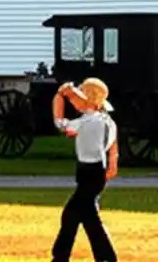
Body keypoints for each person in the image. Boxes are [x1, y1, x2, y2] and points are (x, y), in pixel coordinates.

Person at [51, 77, 118, 262]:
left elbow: (61, 125)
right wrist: (113, 162)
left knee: (76, 215)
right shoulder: (106, 120)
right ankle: (102, 257)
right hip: (97, 172)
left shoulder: (87, 122)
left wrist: (58, 98)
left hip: (89, 173)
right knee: (83, 217)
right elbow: (113, 145)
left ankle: (62, 256)